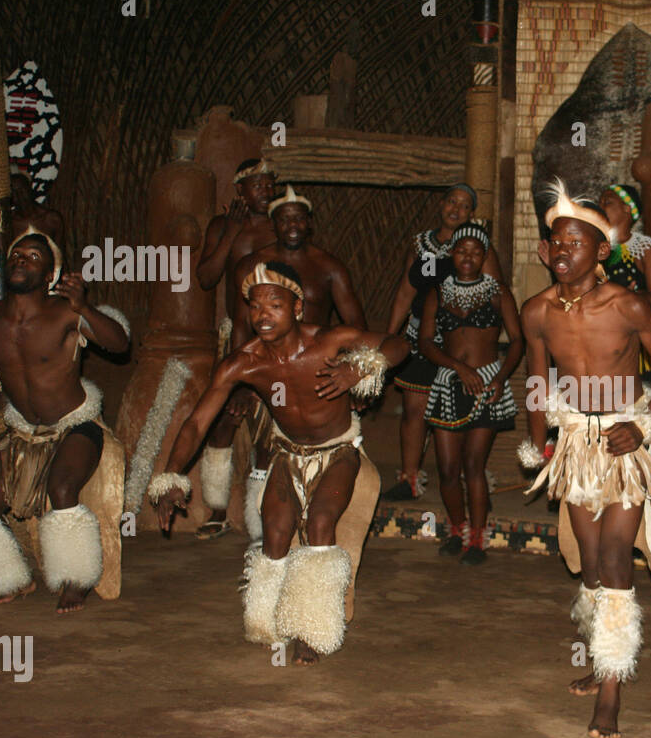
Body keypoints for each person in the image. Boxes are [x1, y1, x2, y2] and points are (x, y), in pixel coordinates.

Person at [150, 262, 408, 665]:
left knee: (321, 522)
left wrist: (359, 366)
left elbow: (398, 344)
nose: (262, 315)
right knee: (274, 535)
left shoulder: (329, 342)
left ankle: (312, 629)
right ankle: (268, 620)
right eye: (254, 306)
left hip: (338, 450)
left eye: (274, 304)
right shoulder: (244, 362)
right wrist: (170, 476)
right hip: (287, 453)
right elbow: (197, 422)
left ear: (298, 308)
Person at [519, 179, 651, 738]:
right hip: (575, 445)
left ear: (601, 250)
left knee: (616, 560)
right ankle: (600, 658)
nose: (564, 252)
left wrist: (644, 425)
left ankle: (612, 688)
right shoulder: (536, 311)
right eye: (556, 243)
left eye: (576, 243)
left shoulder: (627, 304)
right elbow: (538, 380)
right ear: (544, 251)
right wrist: (539, 440)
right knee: (590, 567)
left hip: (624, 445)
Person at [0, 229, 130, 613]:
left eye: (33, 256)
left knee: (63, 487)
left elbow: (120, 343)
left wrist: (86, 308)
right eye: (16, 254)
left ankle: (76, 579)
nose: (21, 258)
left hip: (76, 424)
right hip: (22, 432)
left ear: (51, 273)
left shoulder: (66, 312)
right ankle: (12, 580)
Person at [224, 186, 368, 544]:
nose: (292, 224)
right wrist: (242, 386)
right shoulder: (251, 268)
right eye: (284, 218)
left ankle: (314, 525)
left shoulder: (328, 266)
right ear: (273, 224)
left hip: (317, 370)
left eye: (298, 217)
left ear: (309, 223)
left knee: (319, 442)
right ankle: (264, 537)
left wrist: (359, 375)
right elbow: (241, 330)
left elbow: (357, 328)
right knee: (266, 450)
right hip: (267, 369)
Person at [384, 184, 508, 501]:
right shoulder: (422, 245)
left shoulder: (477, 247)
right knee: (414, 409)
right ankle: (409, 477)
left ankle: (469, 478)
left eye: (465, 206)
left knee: (465, 413)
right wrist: (388, 337)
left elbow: (494, 294)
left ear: (471, 214)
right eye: (452, 202)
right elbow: (405, 293)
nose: (456, 209)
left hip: (458, 344)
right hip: (419, 337)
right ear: (441, 204)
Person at [417, 223, 523, 564]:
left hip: (488, 382)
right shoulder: (437, 292)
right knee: (447, 468)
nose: (468, 257)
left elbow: (518, 340)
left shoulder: (498, 293)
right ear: (451, 254)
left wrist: (501, 377)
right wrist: (458, 368)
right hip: (449, 383)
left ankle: (477, 540)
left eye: (476, 252)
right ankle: (456, 529)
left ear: (484, 257)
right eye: (462, 251)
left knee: (473, 465)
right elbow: (425, 342)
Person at [192, 157, 279, 539]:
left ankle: (260, 517)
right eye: (258, 185)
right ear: (239, 191)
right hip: (235, 338)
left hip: (276, 341)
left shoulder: (284, 227)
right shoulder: (222, 226)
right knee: (223, 419)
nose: (267, 191)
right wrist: (230, 231)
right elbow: (207, 277)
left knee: (270, 426)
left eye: (270, 185)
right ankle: (217, 508)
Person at [598, 184, 651, 312]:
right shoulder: (594, 246)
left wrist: (631, 299)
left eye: (607, 202)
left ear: (627, 208)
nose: (601, 207)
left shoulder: (645, 248)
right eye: (600, 203)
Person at [10, 168, 64, 248]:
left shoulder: (52, 219)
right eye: (14, 192)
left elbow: (60, 255)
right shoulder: (9, 223)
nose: (19, 195)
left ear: (30, 188)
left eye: (22, 189)